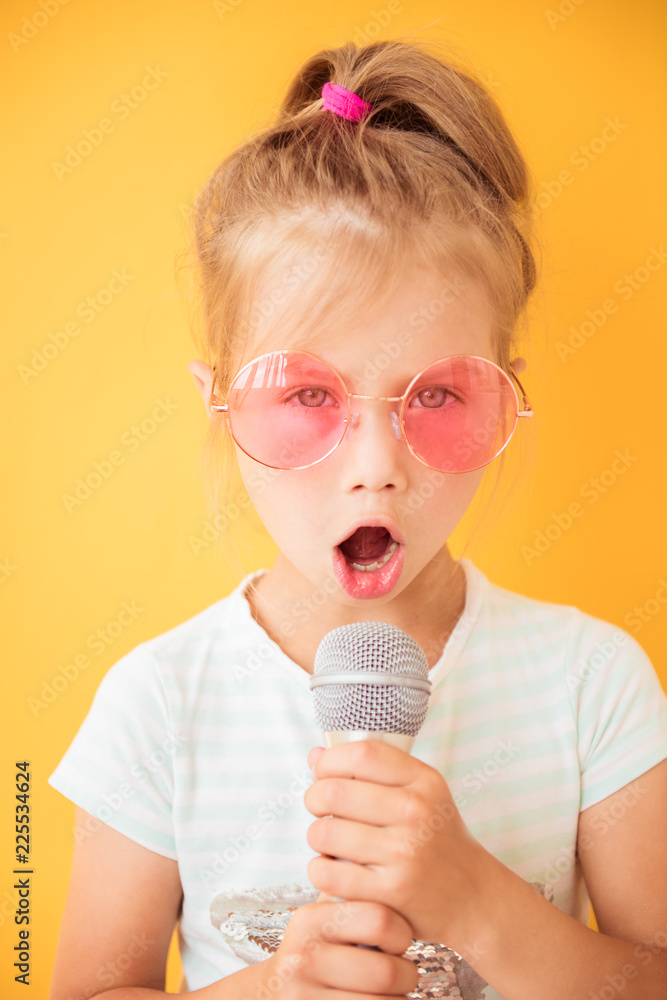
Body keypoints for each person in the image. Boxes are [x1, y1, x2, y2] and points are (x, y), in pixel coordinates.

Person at [47, 37, 667, 1000]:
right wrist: (273, 987)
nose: (375, 471)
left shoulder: (590, 686)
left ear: (505, 400)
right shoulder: (160, 704)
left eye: (435, 397)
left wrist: (477, 905)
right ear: (218, 401)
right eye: (305, 395)